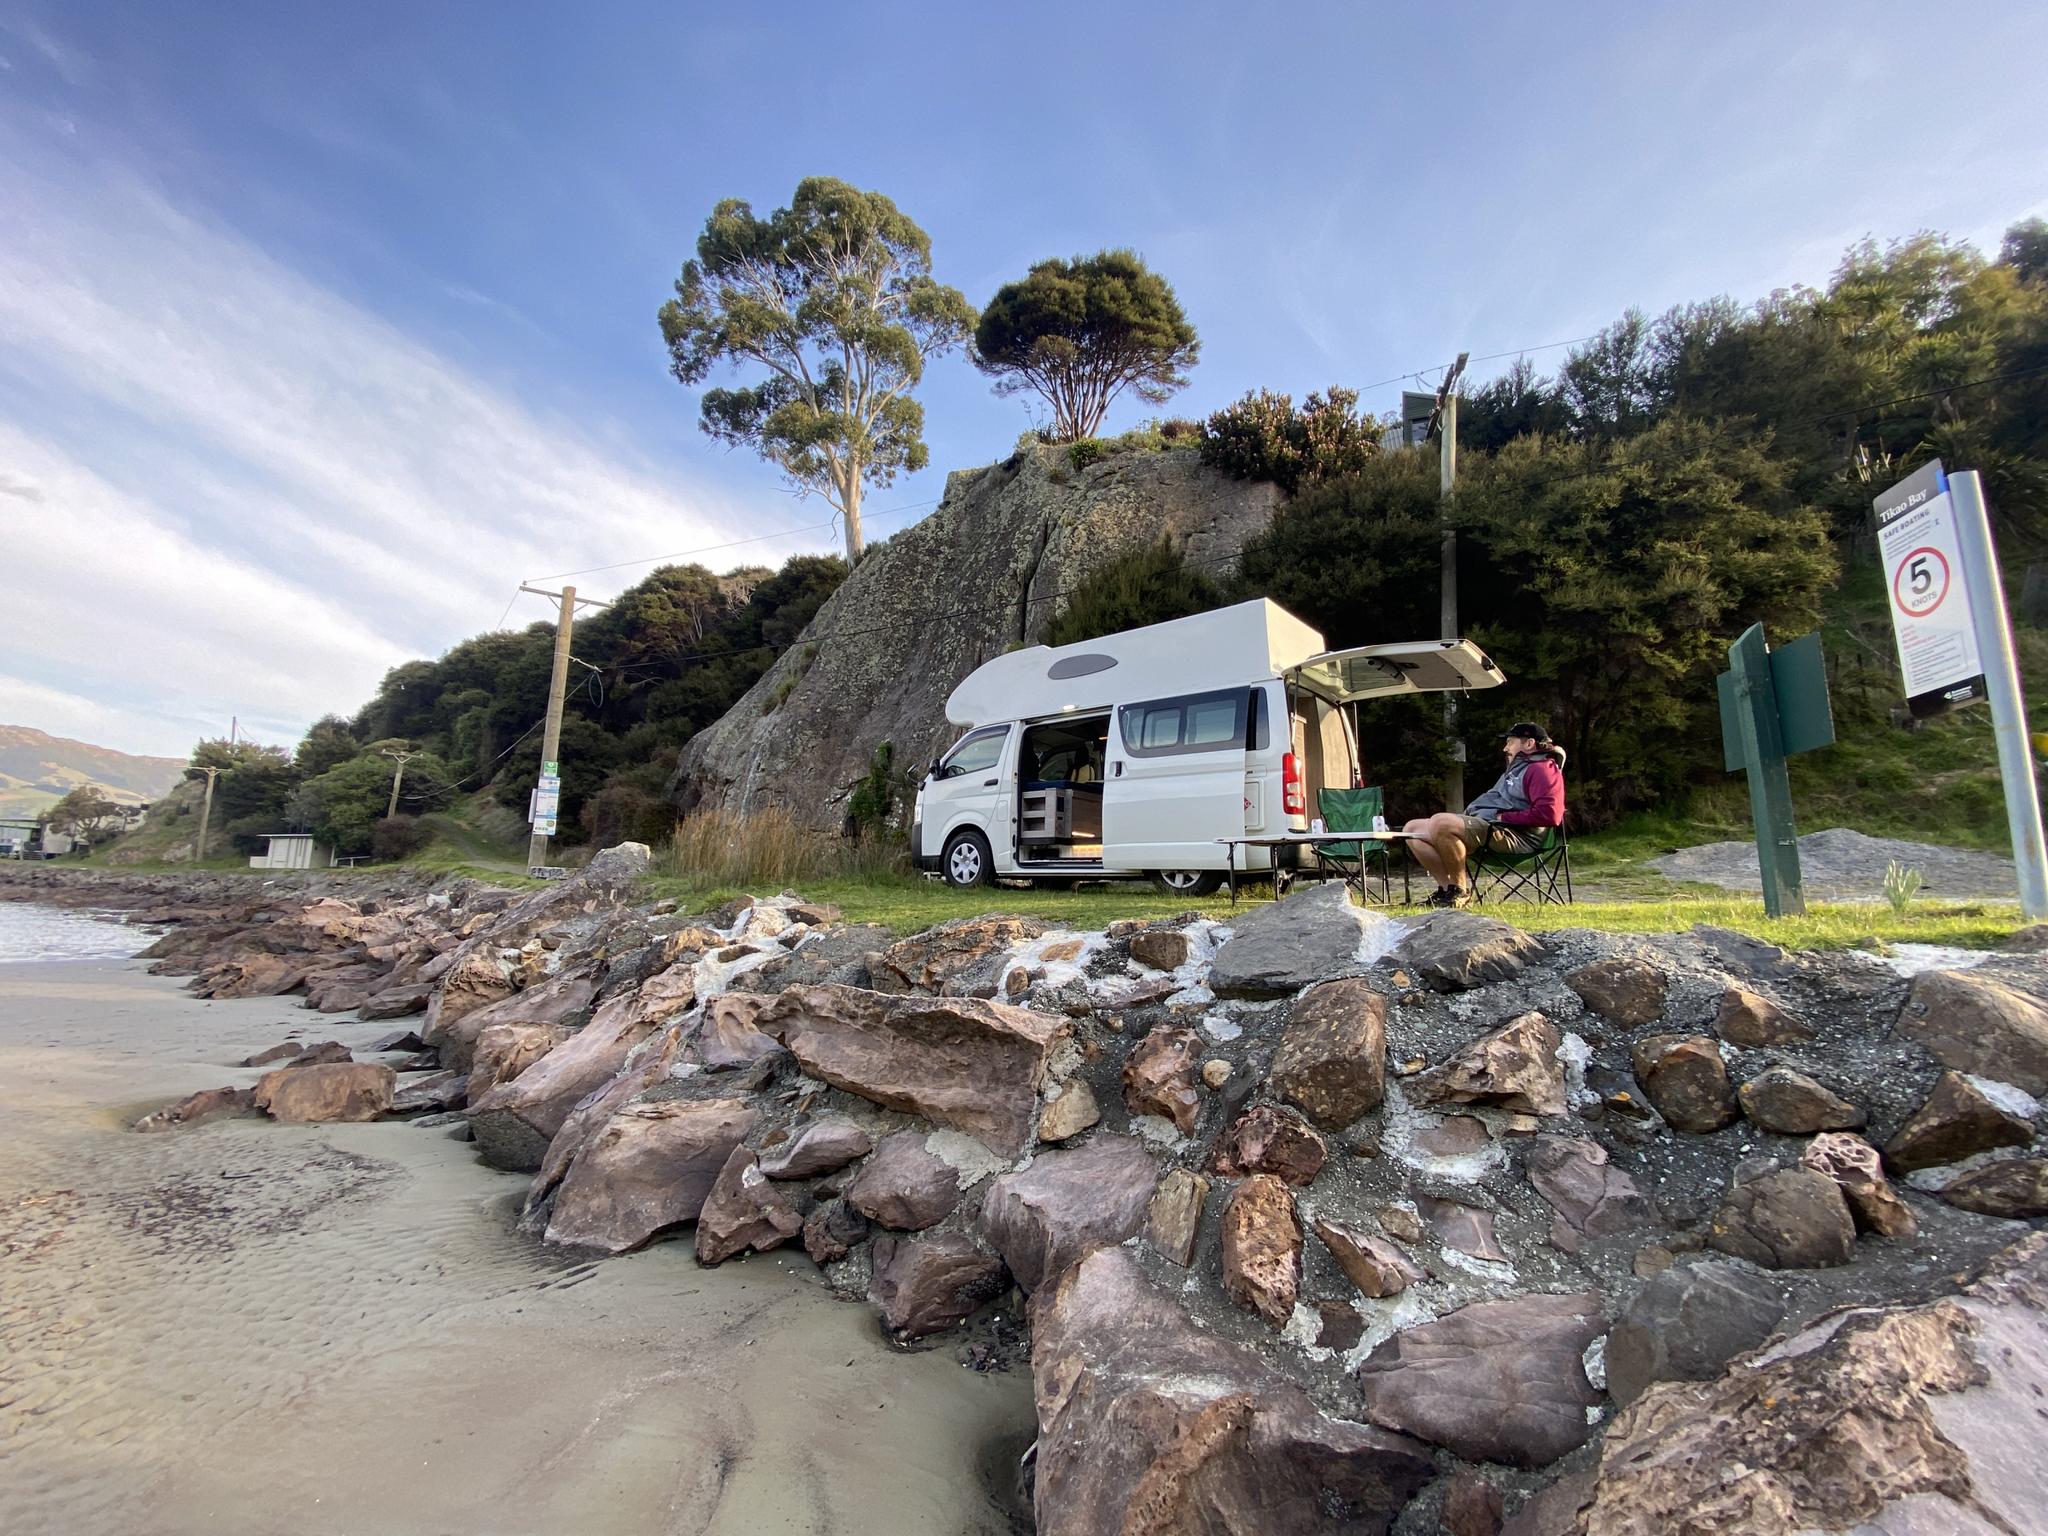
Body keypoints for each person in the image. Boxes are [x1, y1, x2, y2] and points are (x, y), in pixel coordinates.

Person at [1401, 722, 1566, 907]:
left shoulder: (1542, 769)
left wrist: (1504, 818)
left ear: (1529, 744)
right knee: (1412, 829)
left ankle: (1460, 891)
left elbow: (1550, 815)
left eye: (1510, 742)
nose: (1505, 748)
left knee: (1442, 823)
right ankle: (1447, 891)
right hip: (1494, 827)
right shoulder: (1516, 768)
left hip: (1517, 836)